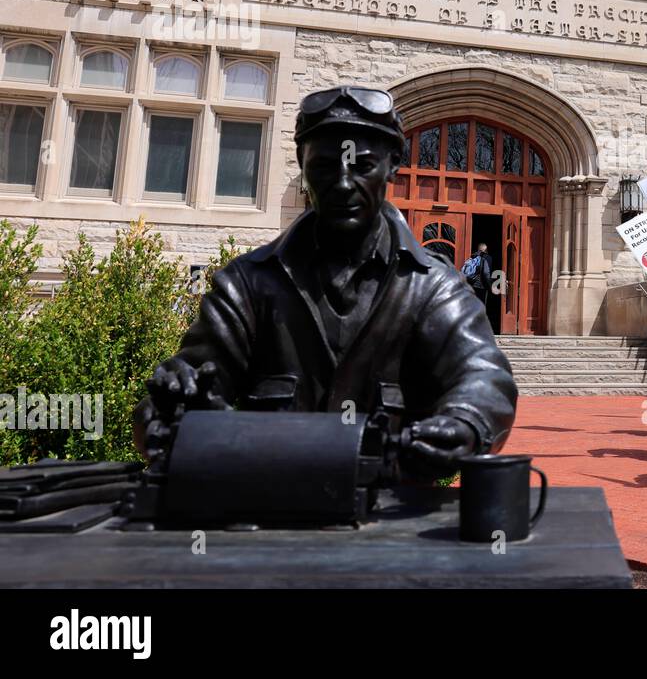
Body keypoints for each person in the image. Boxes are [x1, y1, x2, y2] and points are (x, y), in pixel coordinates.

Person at [133, 86, 518, 479]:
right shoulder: (246, 286)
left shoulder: (433, 287)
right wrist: (169, 408)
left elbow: (484, 377)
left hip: (391, 516)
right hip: (270, 516)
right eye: (324, 167)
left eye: (363, 166)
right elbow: (184, 389)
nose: (344, 183)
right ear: (302, 165)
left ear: (393, 165)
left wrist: (466, 423)